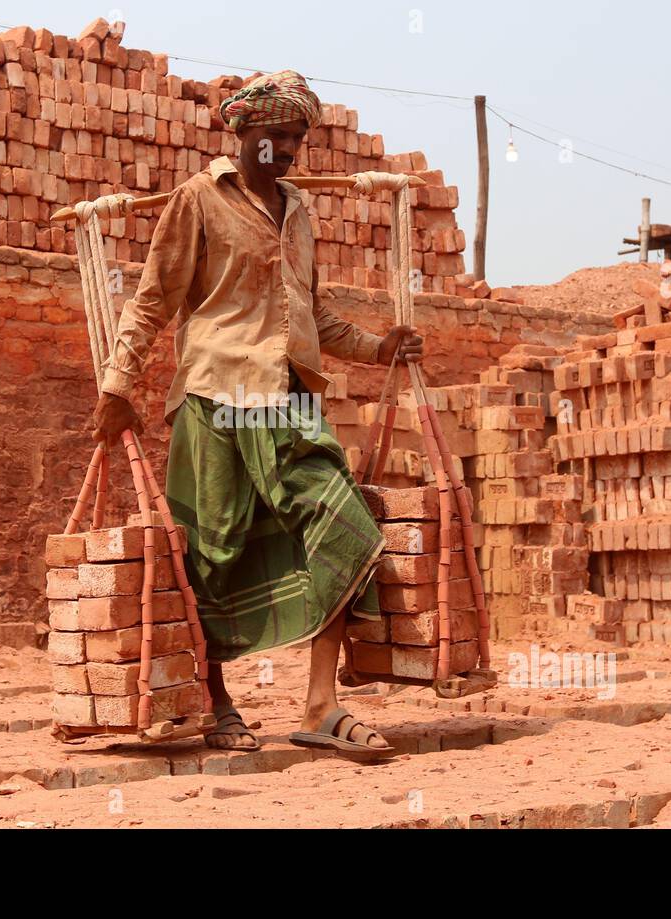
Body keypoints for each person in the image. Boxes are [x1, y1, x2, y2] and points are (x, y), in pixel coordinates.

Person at [91, 70, 422, 758]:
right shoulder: (198, 201)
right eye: (277, 135)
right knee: (210, 553)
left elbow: (312, 313)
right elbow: (153, 300)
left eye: (298, 138)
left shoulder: (301, 212)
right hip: (217, 400)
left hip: (292, 401)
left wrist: (376, 345)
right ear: (240, 133)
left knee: (347, 525)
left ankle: (321, 703)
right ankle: (216, 699)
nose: (289, 150)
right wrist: (118, 384)